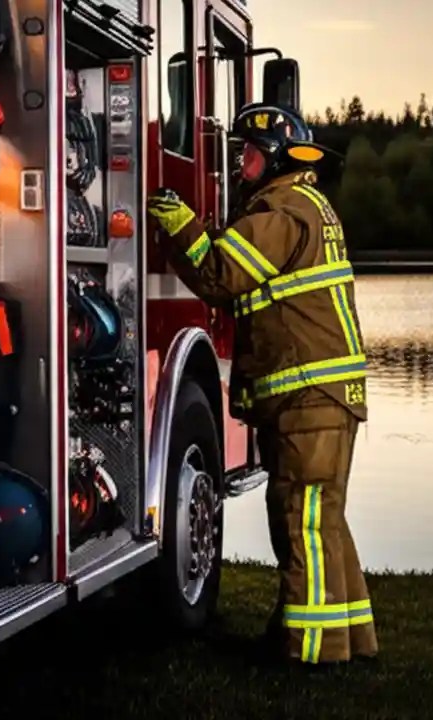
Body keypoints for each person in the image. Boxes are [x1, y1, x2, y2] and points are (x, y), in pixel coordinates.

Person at [146, 102, 377, 665]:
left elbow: (219, 274)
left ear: (274, 159)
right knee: (324, 519)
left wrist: (180, 226)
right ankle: (351, 639)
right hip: (322, 399)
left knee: (301, 518)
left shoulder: (281, 211)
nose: (241, 165)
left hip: (309, 399)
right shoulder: (309, 205)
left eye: (248, 154)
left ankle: (311, 651)